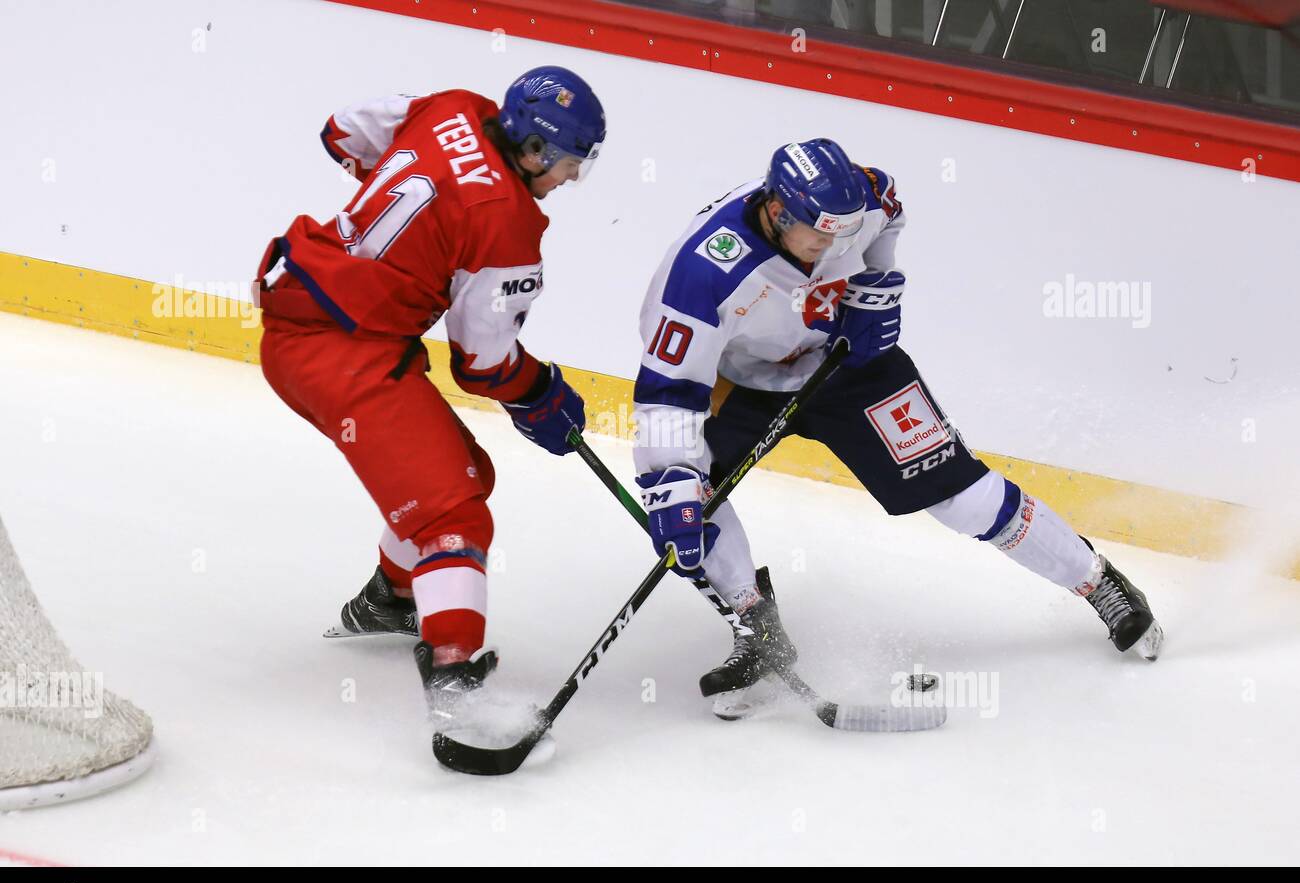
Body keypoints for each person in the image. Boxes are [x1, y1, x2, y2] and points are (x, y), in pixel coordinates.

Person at [630, 139, 1164, 717]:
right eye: (819, 236)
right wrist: (679, 489)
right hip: (739, 381)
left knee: (961, 498)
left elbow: (890, 208)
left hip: (847, 362)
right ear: (779, 211)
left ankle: (1097, 580)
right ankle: (756, 626)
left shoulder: (857, 199)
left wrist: (877, 288)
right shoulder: (703, 275)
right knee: (682, 493)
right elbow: (670, 392)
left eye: (843, 233)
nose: (833, 246)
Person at [255, 67, 605, 720]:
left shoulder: (454, 106)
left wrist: (396, 238)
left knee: (471, 473)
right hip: (341, 353)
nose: (569, 180)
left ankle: (389, 598)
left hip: (311, 309)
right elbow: (483, 365)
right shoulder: (507, 226)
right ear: (533, 150)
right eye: (565, 165)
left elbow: (344, 134)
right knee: (456, 517)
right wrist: (541, 394)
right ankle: (455, 683)